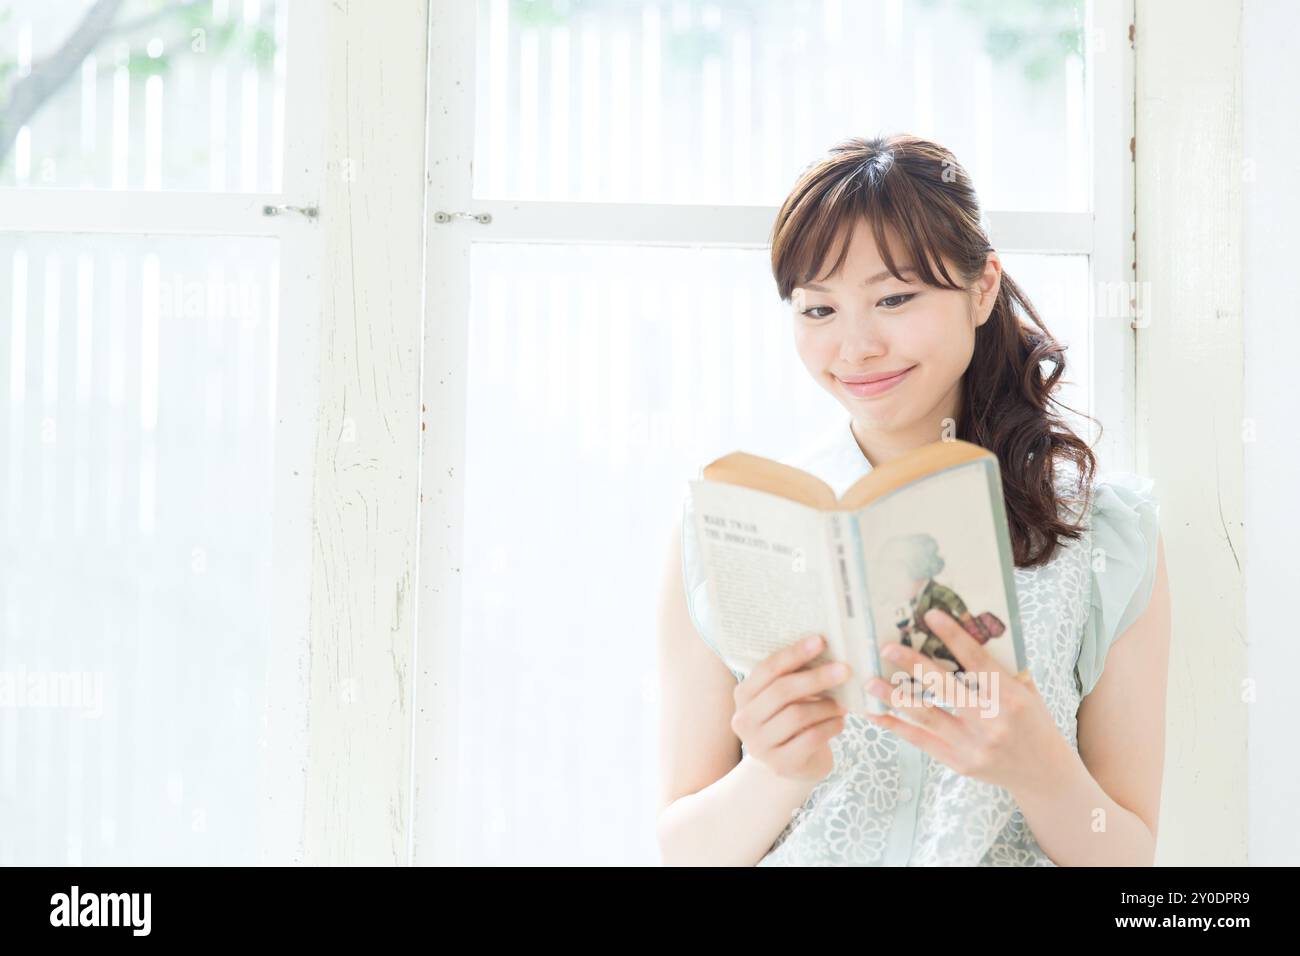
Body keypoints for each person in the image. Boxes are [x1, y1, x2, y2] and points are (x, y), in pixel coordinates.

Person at [656, 134, 1170, 866]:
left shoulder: (1104, 534)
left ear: (983, 287)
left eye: (895, 298)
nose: (855, 347)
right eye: (818, 310)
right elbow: (685, 849)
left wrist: (1039, 767)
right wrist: (773, 769)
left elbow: (1130, 862)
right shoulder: (734, 530)